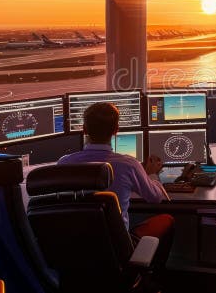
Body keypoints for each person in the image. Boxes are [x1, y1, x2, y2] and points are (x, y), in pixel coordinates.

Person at [57, 102, 174, 269]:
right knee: (166, 220)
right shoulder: (128, 164)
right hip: (117, 248)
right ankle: (146, 276)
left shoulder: (64, 164)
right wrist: (151, 174)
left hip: (77, 249)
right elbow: (155, 197)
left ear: (84, 129)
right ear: (116, 130)